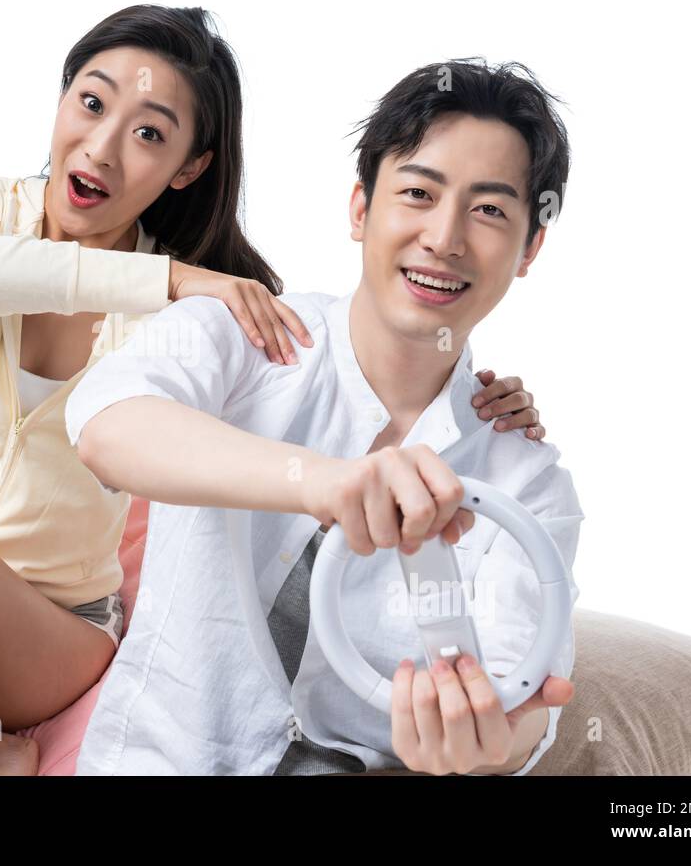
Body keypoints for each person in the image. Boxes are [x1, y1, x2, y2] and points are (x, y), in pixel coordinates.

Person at [0, 6, 548, 776]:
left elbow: (341, 377)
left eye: (151, 134)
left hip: (47, 625)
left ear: (188, 168)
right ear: (63, 99)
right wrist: (164, 275)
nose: (103, 148)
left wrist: (472, 404)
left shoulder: (197, 312)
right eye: (93, 103)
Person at [65, 57, 581, 775]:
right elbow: (106, 421)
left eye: (490, 210)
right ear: (360, 209)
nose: (446, 236)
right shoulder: (243, 333)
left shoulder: (526, 483)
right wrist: (320, 482)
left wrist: (496, 743)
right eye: (417, 193)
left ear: (529, 247)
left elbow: (525, 690)